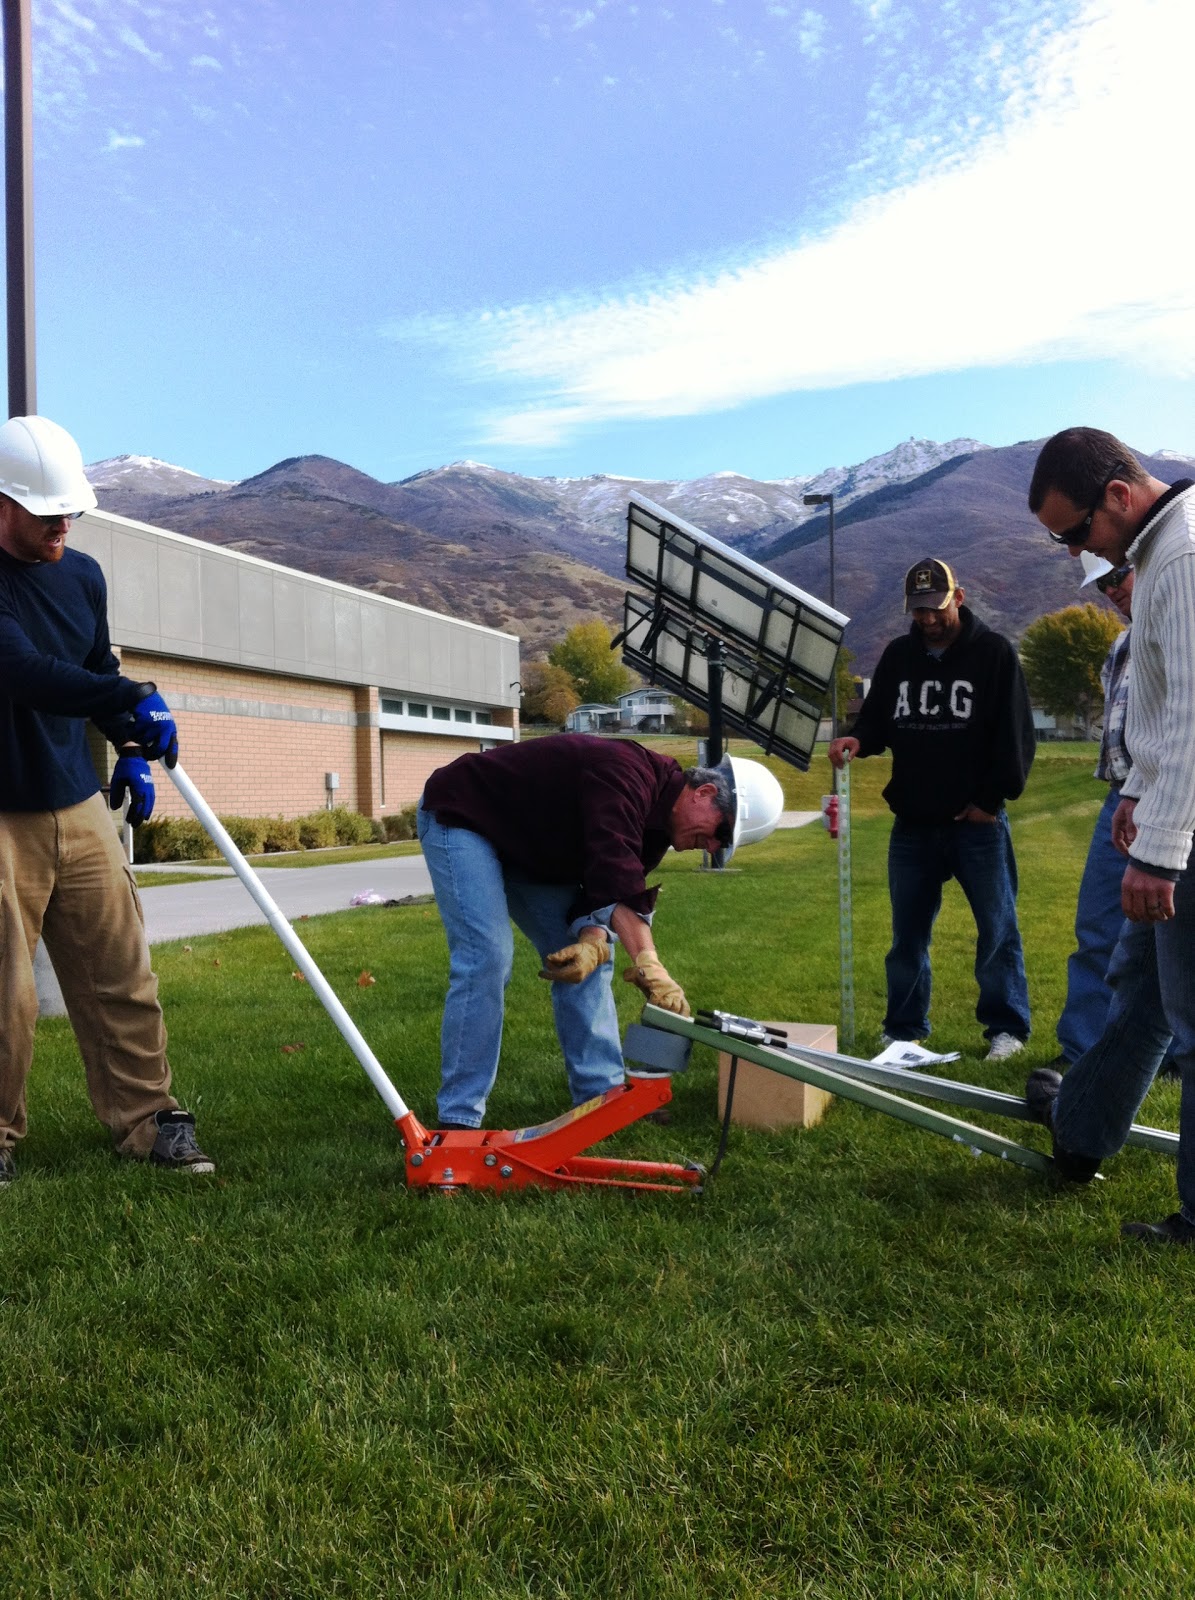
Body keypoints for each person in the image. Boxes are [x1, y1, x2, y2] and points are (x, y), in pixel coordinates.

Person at [0, 414, 213, 1185]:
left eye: (71, 509)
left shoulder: (81, 573)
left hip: (74, 797)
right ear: (2, 504)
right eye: (46, 510)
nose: (63, 522)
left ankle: (147, 1120)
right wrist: (136, 693)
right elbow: (22, 670)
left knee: (120, 968)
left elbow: (91, 664)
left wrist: (128, 743)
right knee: (6, 994)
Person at [416, 733, 784, 1129]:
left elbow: (602, 891)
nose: (712, 847)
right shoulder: (626, 771)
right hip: (464, 815)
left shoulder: (657, 831)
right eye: (721, 833)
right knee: (487, 956)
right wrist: (650, 963)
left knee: (595, 961)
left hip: (527, 851)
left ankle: (602, 1100)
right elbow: (615, 863)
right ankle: (458, 1118)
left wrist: (591, 943)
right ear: (704, 792)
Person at [1025, 428, 1195, 1245]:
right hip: (1164, 810)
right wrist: (1133, 789)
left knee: (1187, 1023)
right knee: (1141, 995)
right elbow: (1160, 712)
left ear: (1119, 498)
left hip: (1188, 835)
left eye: (1074, 532)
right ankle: (1080, 1136)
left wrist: (1161, 852)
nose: (1074, 552)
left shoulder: (1185, 552)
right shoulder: (1161, 549)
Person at [827, 557, 1035, 1063]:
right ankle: (903, 1029)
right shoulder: (899, 657)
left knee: (996, 928)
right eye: (918, 611)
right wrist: (858, 739)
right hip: (915, 824)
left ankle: (1006, 1029)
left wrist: (991, 800)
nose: (927, 620)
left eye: (936, 609)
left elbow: (1016, 735)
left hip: (976, 824)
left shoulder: (993, 653)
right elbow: (879, 723)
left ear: (958, 598)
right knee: (907, 936)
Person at [1052, 553, 1136, 1065]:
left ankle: (1174, 1056)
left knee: (1178, 942)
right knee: (1098, 929)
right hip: (1119, 798)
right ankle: (1080, 1050)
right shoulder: (1123, 645)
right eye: (1102, 584)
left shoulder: (1182, 630)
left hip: (1174, 798)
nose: (1110, 590)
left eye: (1118, 577)